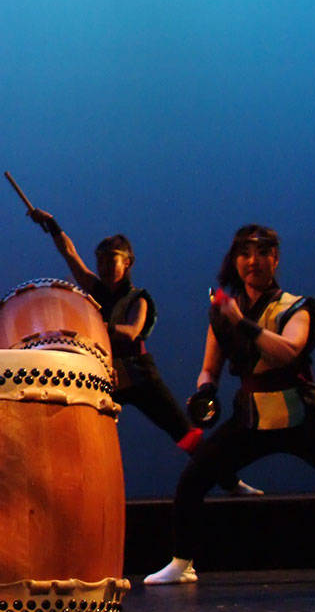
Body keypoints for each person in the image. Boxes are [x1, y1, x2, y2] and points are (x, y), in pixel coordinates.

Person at [145, 225, 315, 584]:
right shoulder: (223, 312)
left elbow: (288, 352)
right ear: (235, 260)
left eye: (261, 253)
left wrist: (241, 322)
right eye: (244, 253)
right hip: (251, 418)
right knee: (194, 479)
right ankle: (182, 562)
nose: (252, 261)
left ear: (275, 258)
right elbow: (209, 368)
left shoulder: (298, 307)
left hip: (301, 416)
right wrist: (205, 391)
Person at [27, 207, 260, 496]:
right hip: (105, 374)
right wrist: (52, 224)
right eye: (100, 261)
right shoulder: (96, 290)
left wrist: (94, 326)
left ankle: (230, 483)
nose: (104, 267)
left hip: (139, 375)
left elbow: (132, 332)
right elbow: (70, 255)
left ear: (127, 263)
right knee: (71, 426)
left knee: (184, 433)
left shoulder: (139, 298)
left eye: (111, 260)